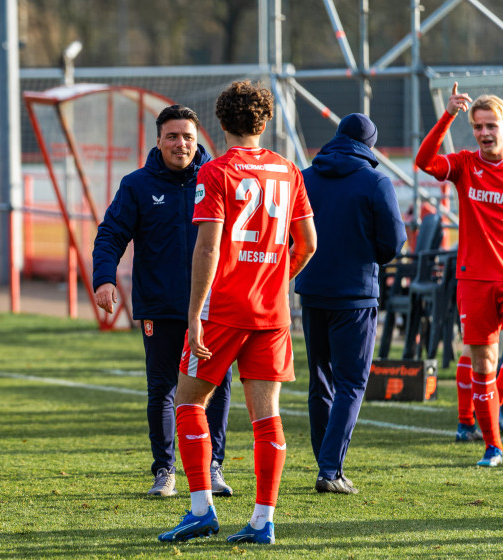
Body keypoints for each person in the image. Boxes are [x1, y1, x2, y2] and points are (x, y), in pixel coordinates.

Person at [157, 81, 316, 545]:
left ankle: (202, 510)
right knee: (266, 417)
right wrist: (275, 279)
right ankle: (263, 520)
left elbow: (207, 246)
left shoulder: (216, 172)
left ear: (219, 124)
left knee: (188, 402)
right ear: (264, 123)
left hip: (223, 309)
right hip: (272, 313)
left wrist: (192, 313)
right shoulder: (289, 171)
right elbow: (308, 244)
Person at [92, 105, 233, 498]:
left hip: (212, 308)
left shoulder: (218, 179)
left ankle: (212, 465)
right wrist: (104, 278)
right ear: (158, 141)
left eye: (187, 136)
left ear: (198, 139)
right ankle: (165, 470)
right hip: (160, 306)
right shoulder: (136, 185)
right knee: (162, 389)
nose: (180, 144)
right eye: (172, 136)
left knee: (216, 385)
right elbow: (110, 235)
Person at [295, 113, 407, 494]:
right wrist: (367, 255)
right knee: (352, 383)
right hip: (355, 293)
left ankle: (325, 461)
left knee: (320, 380)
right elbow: (392, 242)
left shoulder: (306, 177)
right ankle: (330, 469)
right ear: (370, 145)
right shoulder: (376, 180)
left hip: (311, 290)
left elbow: (292, 234)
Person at [416, 82, 503, 467]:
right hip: (476, 279)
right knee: (482, 360)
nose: (485, 133)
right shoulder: (466, 164)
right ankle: (492, 445)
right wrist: (448, 115)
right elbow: (424, 161)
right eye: (479, 126)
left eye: (492, 126)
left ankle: (485, 412)